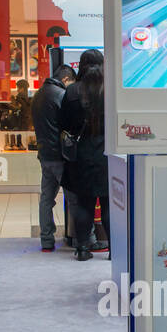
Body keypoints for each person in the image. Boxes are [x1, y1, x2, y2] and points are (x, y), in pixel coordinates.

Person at [59, 49, 108, 261]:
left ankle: (82, 249)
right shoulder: (111, 91)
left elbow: (64, 125)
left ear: (80, 65)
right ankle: (114, 250)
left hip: (81, 156)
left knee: (84, 204)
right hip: (108, 154)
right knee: (108, 205)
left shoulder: (72, 92)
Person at [31, 64, 76, 252]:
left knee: (46, 199)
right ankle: (84, 239)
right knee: (74, 198)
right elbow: (69, 124)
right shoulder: (60, 95)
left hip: (44, 155)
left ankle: (47, 241)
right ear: (65, 79)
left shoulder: (38, 95)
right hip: (60, 156)